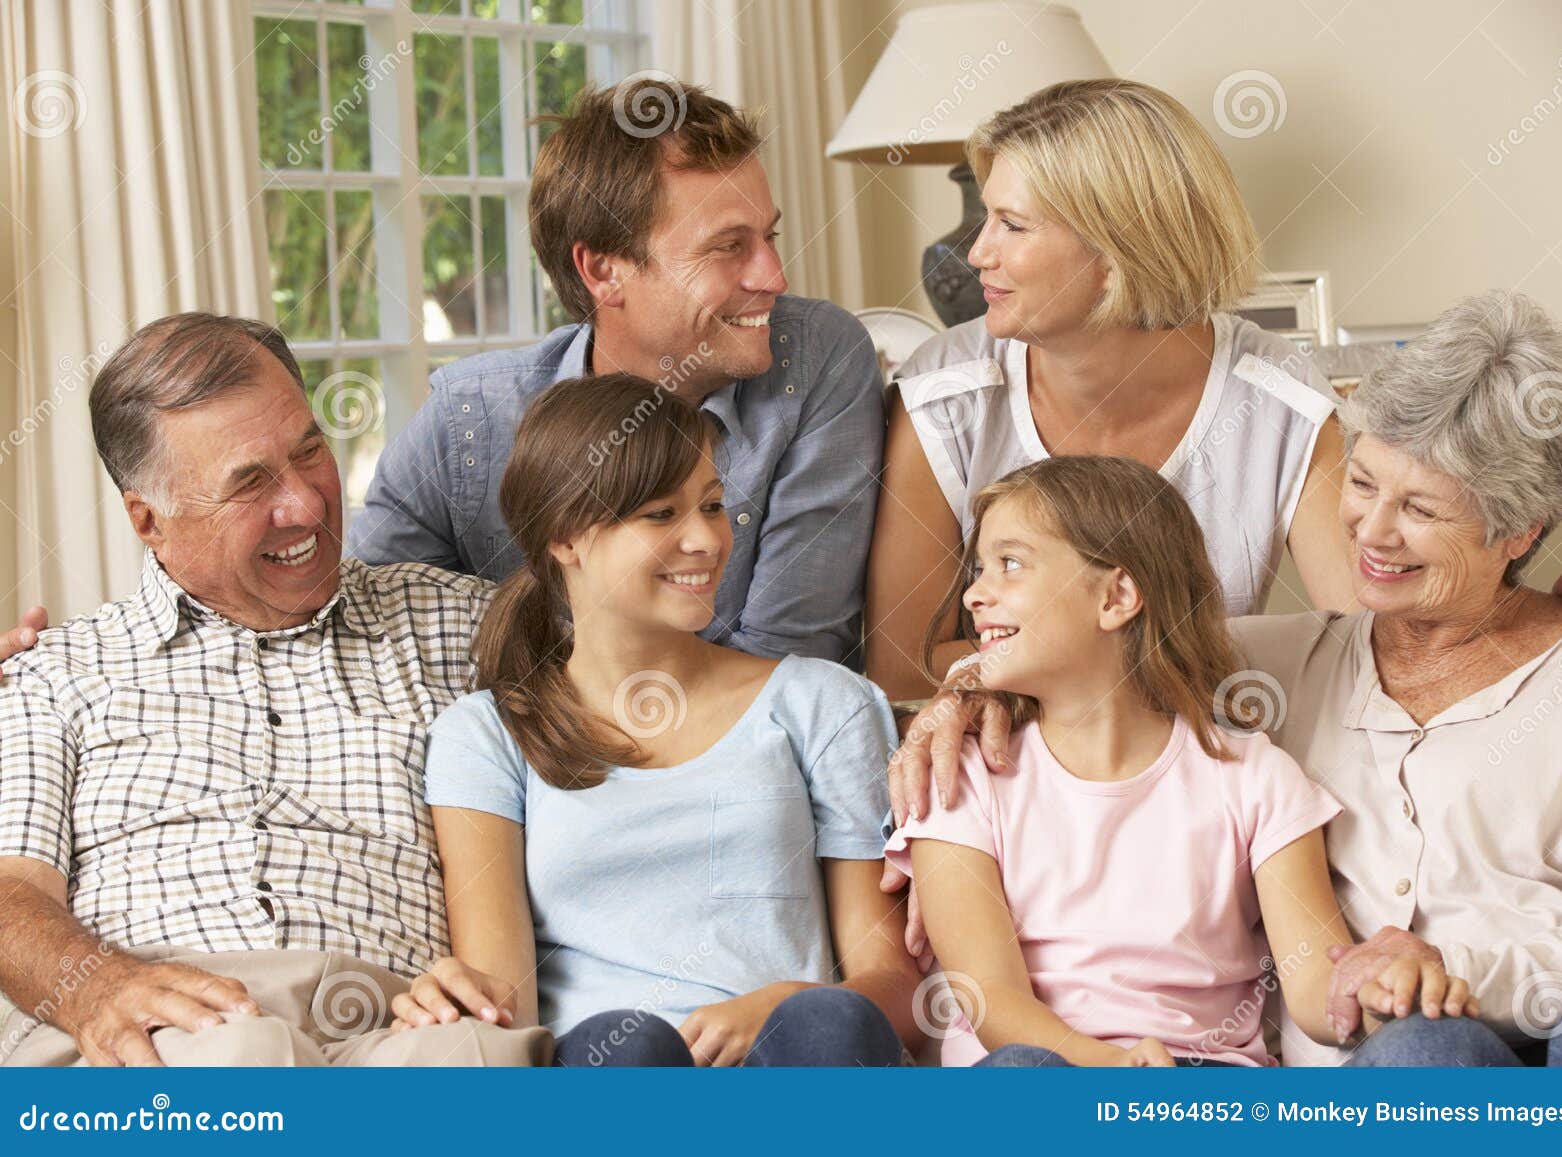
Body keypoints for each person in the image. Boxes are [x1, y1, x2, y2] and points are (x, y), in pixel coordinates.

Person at [0, 313, 548, 1067]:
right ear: (149, 519)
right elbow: (11, 892)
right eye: (251, 482)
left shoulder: (465, 625)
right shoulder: (53, 673)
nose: (306, 505)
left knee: (475, 1063)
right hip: (158, 1027)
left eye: (309, 451)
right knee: (246, 1057)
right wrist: (97, 987)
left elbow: (653, 706)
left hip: (394, 1026)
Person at [392, 375, 922, 1066]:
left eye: (712, 505)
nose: (705, 539)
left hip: (795, 1067)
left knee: (826, 1019)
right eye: (660, 514)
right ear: (564, 537)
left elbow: (894, 987)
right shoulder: (487, 736)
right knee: (633, 1046)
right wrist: (453, 998)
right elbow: (505, 1005)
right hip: (610, 1075)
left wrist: (785, 1002)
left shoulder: (823, 703)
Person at [885, 454, 1476, 1067]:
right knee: (1021, 1071)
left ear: (1116, 596)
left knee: (1439, 1046)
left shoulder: (1256, 778)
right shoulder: (961, 780)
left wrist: (1378, 991)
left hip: (1203, 1085)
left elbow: (1313, 990)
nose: (975, 595)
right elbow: (992, 1000)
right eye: (980, 569)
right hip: (1041, 1076)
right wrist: (1113, 1066)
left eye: (1010, 564)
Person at [349, 78, 883, 669]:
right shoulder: (467, 422)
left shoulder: (815, 359)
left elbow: (790, 671)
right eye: (728, 247)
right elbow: (372, 639)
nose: (775, 276)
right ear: (604, 271)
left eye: (769, 235)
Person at [867, 79, 1348, 702]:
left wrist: (1047, 660)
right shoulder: (943, 397)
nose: (979, 252)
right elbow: (903, 670)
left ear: (1122, 247)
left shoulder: (1281, 402)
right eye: (988, 218)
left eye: (1012, 225)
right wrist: (1173, 657)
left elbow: (1363, 645)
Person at [1232, 291, 1562, 1066]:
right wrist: (974, 689)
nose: (1371, 531)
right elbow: (1077, 654)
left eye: (1420, 510)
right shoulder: (1269, 664)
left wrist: (1453, 974)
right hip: (1356, 1081)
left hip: (1543, 1053)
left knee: (1438, 1043)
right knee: (1423, 1050)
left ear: (1519, 531)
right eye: (1363, 484)